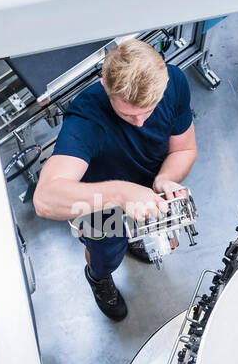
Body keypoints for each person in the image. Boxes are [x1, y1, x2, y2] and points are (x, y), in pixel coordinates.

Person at [32, 39, 197, 320]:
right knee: (105, 256)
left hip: (146, 194)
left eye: (150, 109)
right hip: (97, 207)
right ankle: (98, 278)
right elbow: (45, 200)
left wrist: (164, 179)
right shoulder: (86, 117)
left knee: (135, 234)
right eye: (128, 113)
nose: (141, 122)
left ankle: (133, 241)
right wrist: (122, 193)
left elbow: (184, 148)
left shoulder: (175, 82)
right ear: (105, 87)